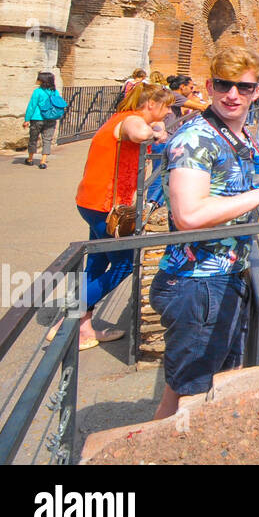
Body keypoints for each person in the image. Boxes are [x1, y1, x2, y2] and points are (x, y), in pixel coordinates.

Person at [149, 47, 259, 419]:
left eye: (243, 87)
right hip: (197, 283)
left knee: (197, 389)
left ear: (257, 91)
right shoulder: (196, 139)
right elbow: (188, 214)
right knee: (190, 402)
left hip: (224, 277)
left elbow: (238, 186)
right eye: (223, 85)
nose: (233, 94)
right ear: (209, 86)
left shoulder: (238, 134)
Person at [71, 83, 173, 350]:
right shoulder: (130, 119)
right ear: (151, 104)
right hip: (104, 205)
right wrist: (157, 132)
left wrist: (158, 129)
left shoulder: (120, 118)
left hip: (94, 202)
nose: (170, 111)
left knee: (97, 262)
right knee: (124, 264)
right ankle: (69, 321)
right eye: (167, 106)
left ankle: (83, 329)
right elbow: (139, 133)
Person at [23, 71, 68, 169]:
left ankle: (30, 159)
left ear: (42, 81)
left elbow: (32, 106)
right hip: (51, 118)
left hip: (37, 118)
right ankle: (43, 161)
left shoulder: (37, 92)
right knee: (47, 139)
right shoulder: (55, 92)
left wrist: (27, 119)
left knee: (33, 138)